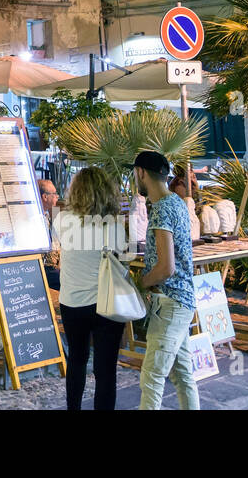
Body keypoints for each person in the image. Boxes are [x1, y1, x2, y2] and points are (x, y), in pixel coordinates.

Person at [135, 150, 199, 411]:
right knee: (182, 376)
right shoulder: (178, 203)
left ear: (141, 173)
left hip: (170, 304)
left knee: (151, 378)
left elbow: (165, 267)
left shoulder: (161, 210)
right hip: (182, 302)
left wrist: (141, 282)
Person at [56, 166, 124, 411]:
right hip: (105, 303)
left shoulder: (61, 218)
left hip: (72, 301)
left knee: (76, 359)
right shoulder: (112, 224)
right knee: (106, 370)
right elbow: (122, 258)